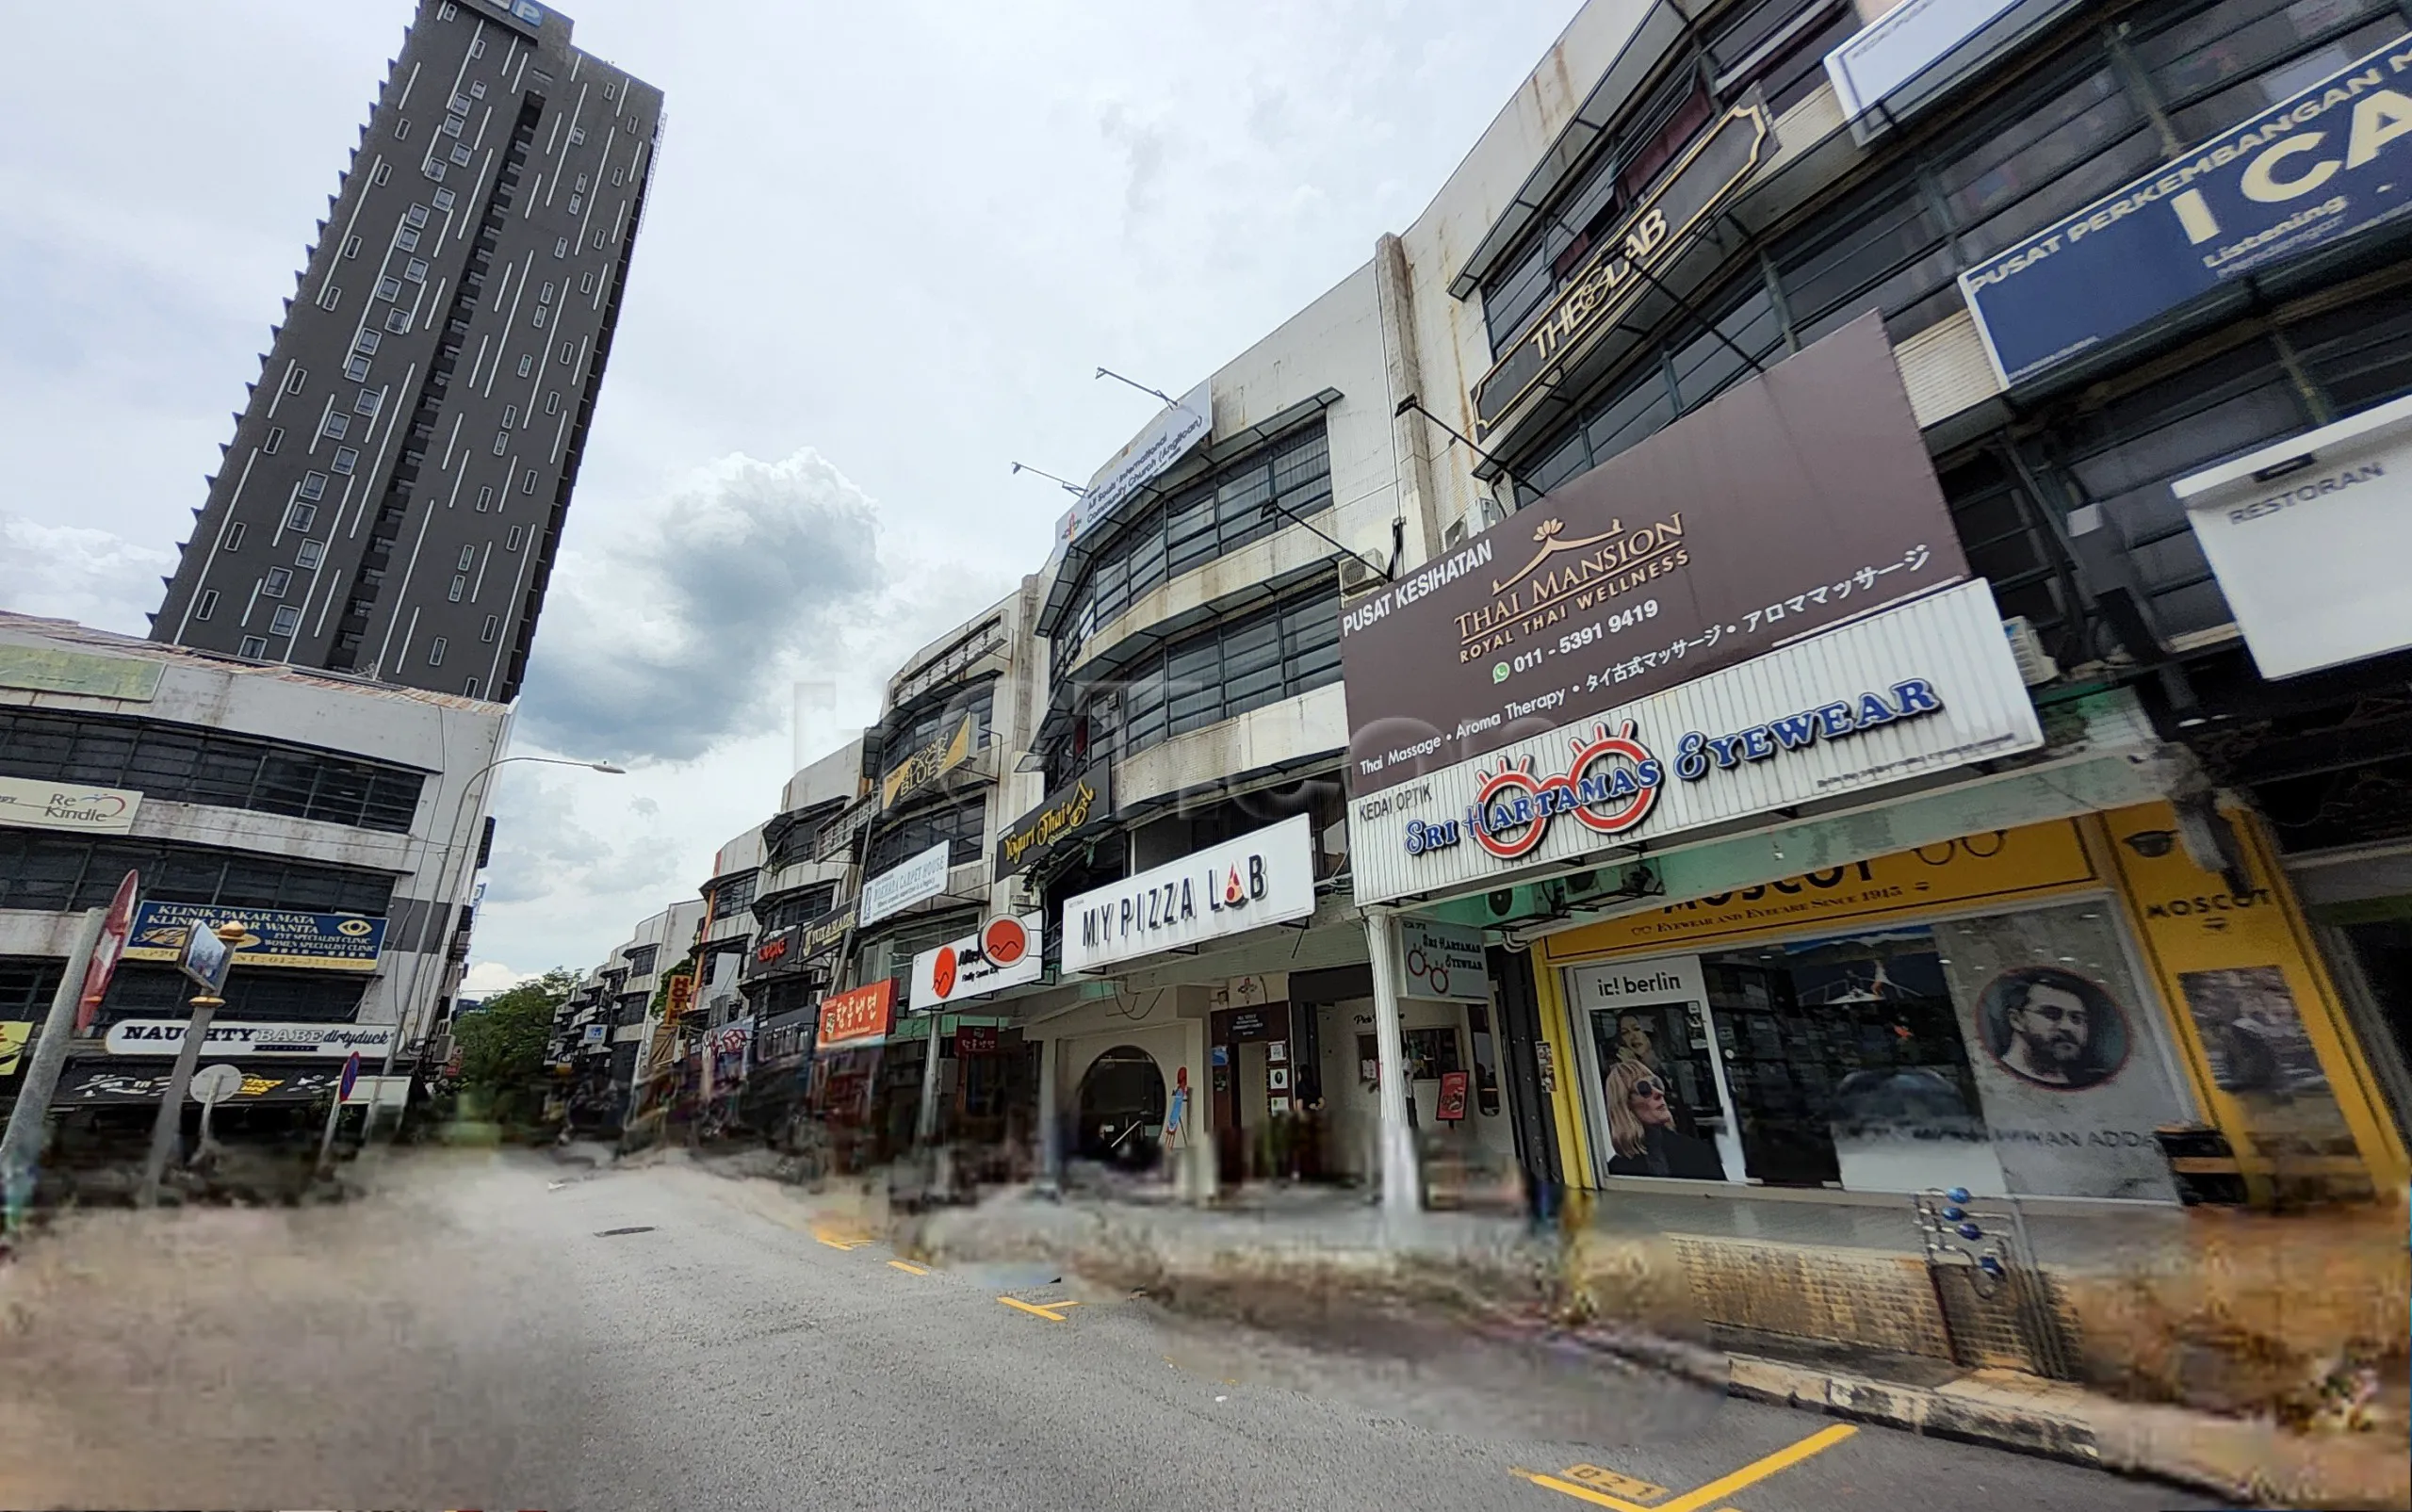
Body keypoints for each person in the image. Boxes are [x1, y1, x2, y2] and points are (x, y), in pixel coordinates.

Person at [1602, 1058, 1722, 1179]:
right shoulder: (1615, 1172)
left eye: (1656, 1083)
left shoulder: (1699, 1152)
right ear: (1626, 1105)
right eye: (1644, 1088)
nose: (1658, 1093)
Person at [1995, 971, 2108, 1088]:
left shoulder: (2098, 1083)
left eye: (2076, 1018)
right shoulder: (1994, 1078)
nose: (2068, 1027)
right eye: (2051, 1014)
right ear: (2016, 1020)